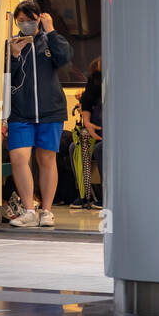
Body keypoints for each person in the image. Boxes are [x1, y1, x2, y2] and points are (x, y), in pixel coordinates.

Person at [6, 0, 71, 228]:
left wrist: (51, 30)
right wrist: (14, 57)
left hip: (50, 111)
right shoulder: (12, 44)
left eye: (29, 20)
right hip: (20, 113)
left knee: (46, 159)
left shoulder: (49, 40)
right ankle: (29, 210)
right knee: (18, 158)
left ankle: (47, 211)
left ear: (39, 19)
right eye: (20, 21)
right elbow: (6, 79)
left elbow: (63, 58)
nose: (25, 25)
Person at [71, 57, 103, 209]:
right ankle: (83, 193)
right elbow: (87, 101)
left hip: (107, 134)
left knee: (100, 149)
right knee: (73, 147)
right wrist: (87, 122)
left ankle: (105, 194)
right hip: (94, 130)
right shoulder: (93, 86)